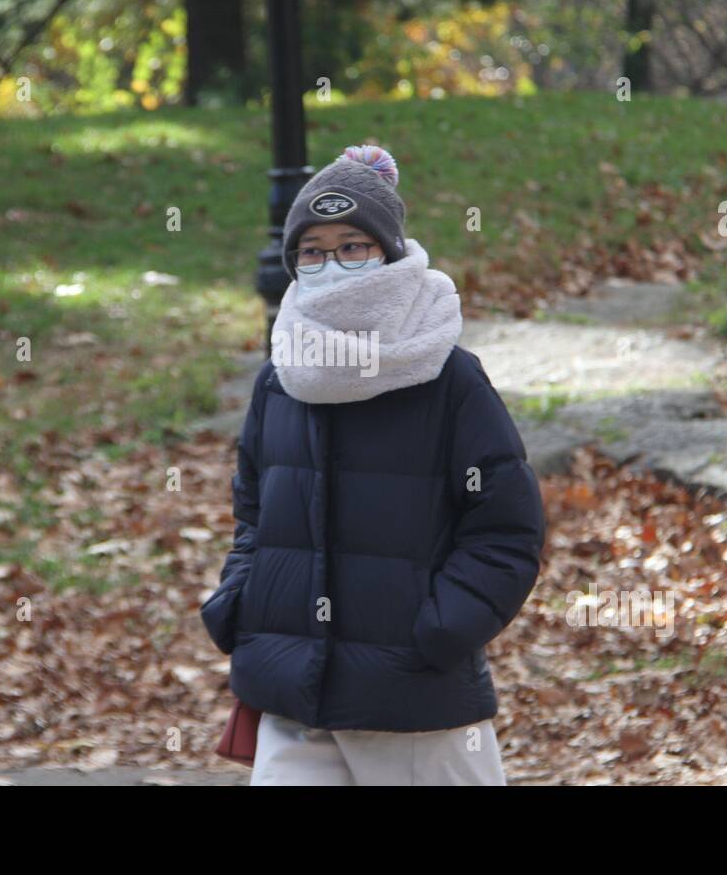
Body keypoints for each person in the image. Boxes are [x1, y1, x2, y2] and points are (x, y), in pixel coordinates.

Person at [200, 144, 546, 785]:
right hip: (291, 693)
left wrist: (440, 631)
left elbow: (506, 529)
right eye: (313, 249)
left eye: (352, 245)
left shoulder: (450, 379)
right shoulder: (280, 379)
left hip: (414, 701)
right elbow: (251, 511)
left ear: (387, 250)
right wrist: (240, 602)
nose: (331, 264)